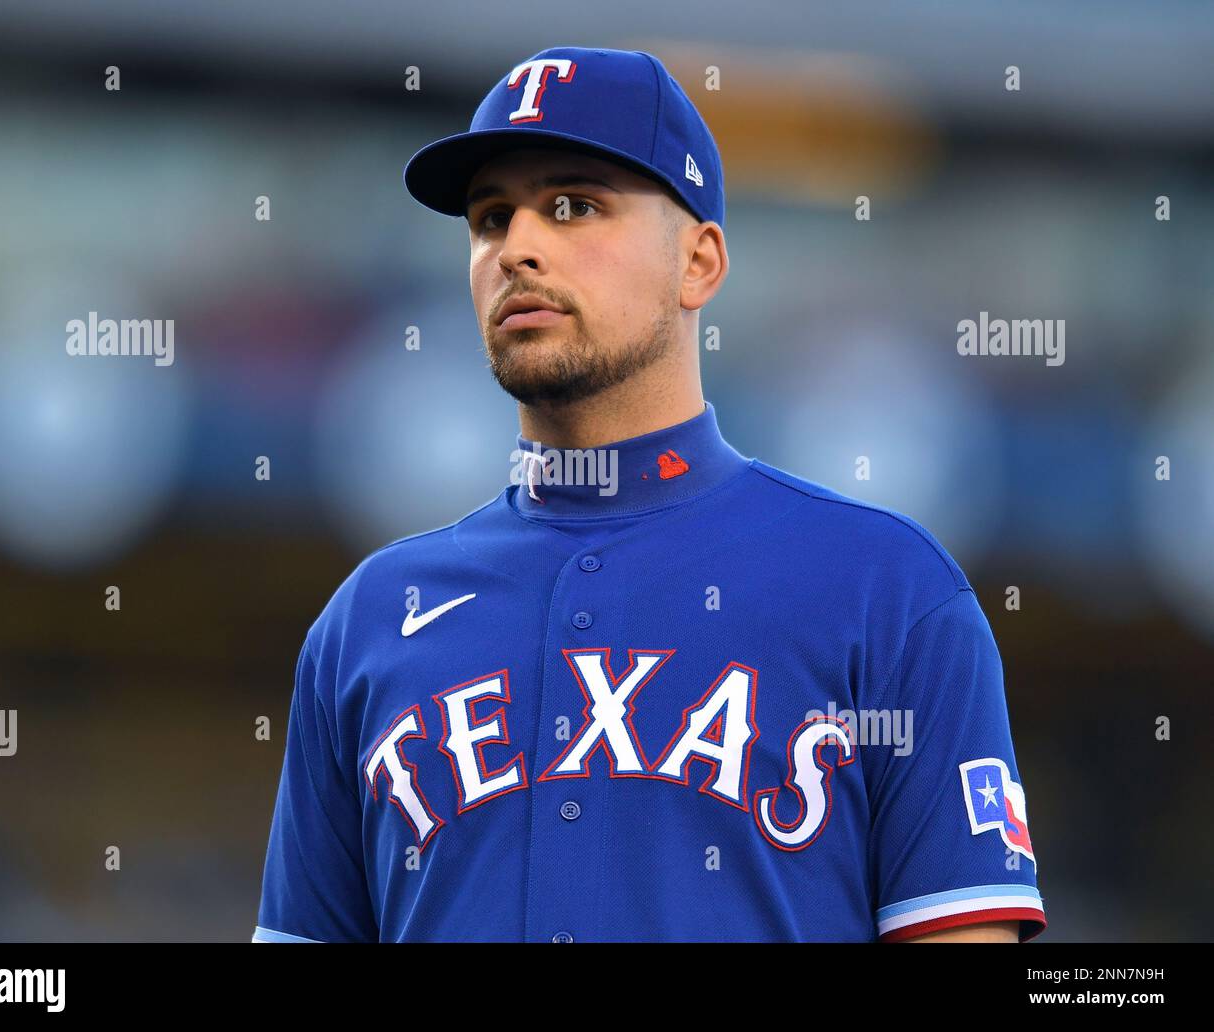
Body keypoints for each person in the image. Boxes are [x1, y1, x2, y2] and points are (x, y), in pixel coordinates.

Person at [252, 46, 1045, 943]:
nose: (518, 247)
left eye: (573, 205)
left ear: (698, 263)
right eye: (489, 217)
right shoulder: (367, 619)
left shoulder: (888, 590)